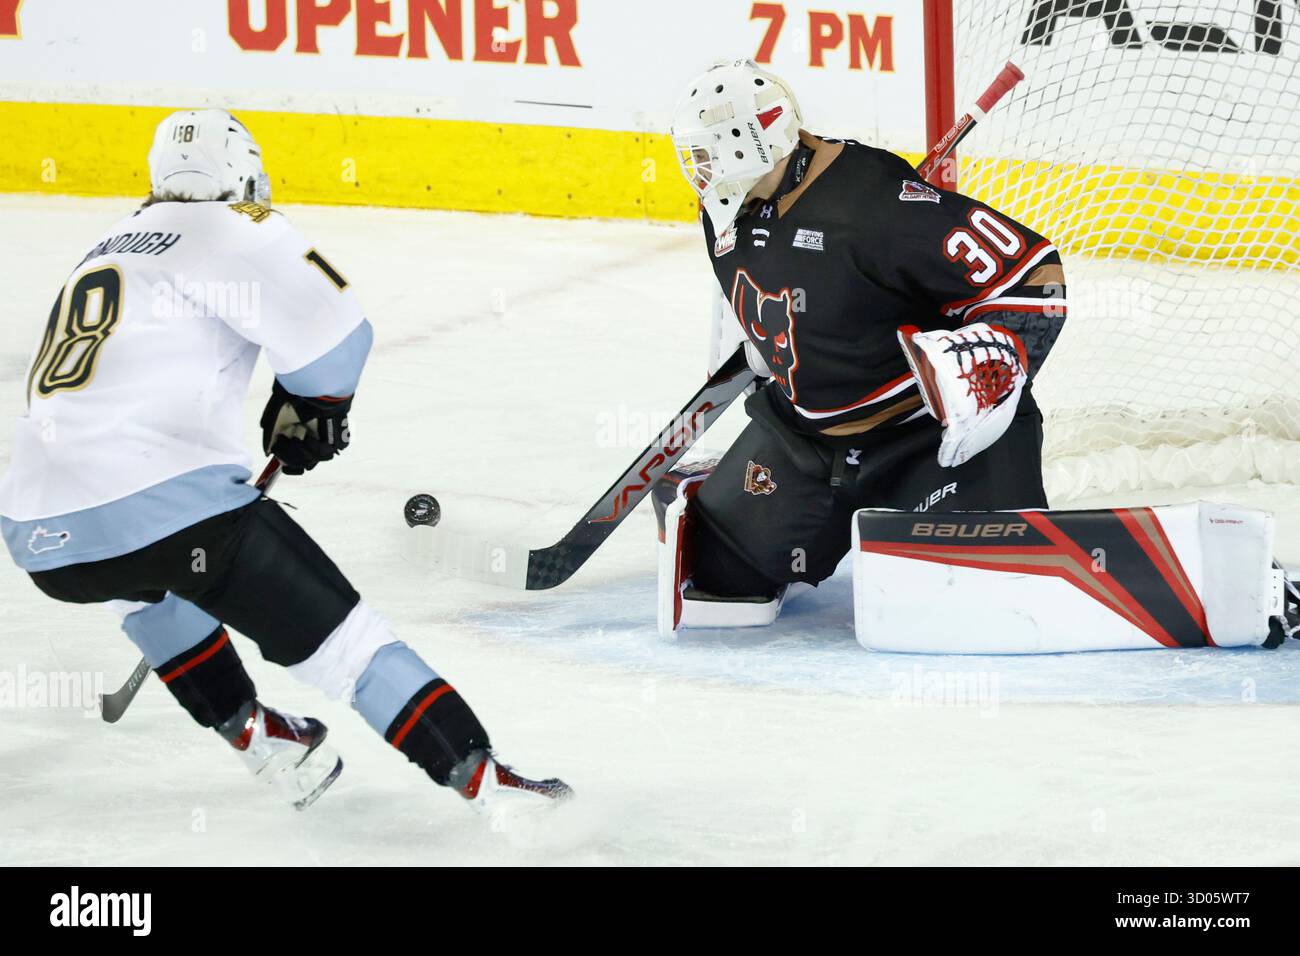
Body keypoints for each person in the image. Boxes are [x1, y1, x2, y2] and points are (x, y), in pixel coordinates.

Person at [0, 109, 571, 818]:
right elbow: (335, 339)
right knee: (349, 650)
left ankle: (259, 736)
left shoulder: (105, 246)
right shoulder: (232, 223)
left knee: (147, 576)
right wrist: (312, 409)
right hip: (167, 513)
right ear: (240, 173)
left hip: (41, 536)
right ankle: (488, 783)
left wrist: (300, 410)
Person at [656, 59, 1067, 633]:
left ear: (753, 144)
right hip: (806, 439)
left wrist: (990, 364)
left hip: (925, 440)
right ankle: (729, 497)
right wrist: (762, 339)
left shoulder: (878, 203)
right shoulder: (724, 205)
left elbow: (1033, 278)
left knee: (974, 602)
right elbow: (760, 269)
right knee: (717, 580)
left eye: (710, 153)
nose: (698, 170)